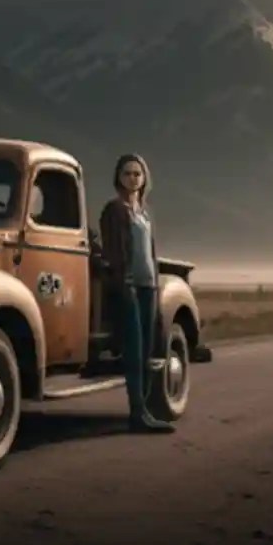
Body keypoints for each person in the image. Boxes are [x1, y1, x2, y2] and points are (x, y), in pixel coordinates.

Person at [98, 153, 175, 434]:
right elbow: (114, 251)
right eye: (127, 173)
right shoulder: (114, 210)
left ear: (144, 179)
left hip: (148, 285)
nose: (132, 178)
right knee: (134, 350)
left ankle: (145, 410)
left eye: (137, 173)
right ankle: (137, 412)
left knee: (147, 350)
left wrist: (154, 282)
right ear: (118, 177)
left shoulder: (145, 211)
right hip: (128, 285)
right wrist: (123, 283)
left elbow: (150, 250)